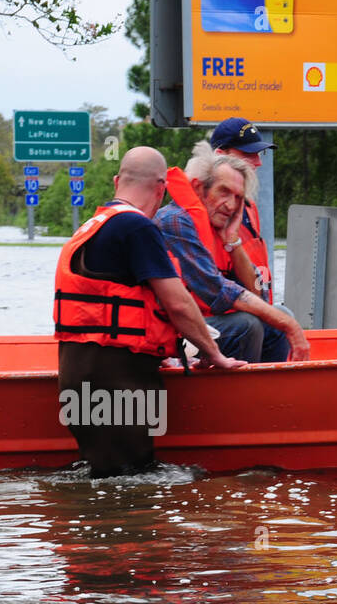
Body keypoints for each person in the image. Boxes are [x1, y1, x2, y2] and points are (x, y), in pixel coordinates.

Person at [54, 146, 244, 478]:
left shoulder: (96, 224)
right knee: (131, 487)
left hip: (78, 374)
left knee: (110, 478)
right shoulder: (137, 227)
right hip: (115, 379)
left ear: (117, 181)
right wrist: (216, 354)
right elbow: (178, 303)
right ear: (161, 189)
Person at [155, 141, 309, 364]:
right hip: (174, 333)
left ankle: (271, 391)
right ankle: (244, 395)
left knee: (280, 314)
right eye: (224, 192)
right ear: (199, 188)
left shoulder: (219, 228)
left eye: (237, 197)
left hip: (206, 324)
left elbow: (258, 294)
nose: (230, 205)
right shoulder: (176, 221)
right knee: (248, 325)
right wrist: (291, 328)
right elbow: (216, 290)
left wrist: (233, 242)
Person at [210, 117, 275, 303]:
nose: (258, 163)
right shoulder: (201, 211)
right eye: (248, 154)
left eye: (259, 154)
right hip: (231, 317)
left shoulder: (250, 207)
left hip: (257, 309)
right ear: (220, 155)